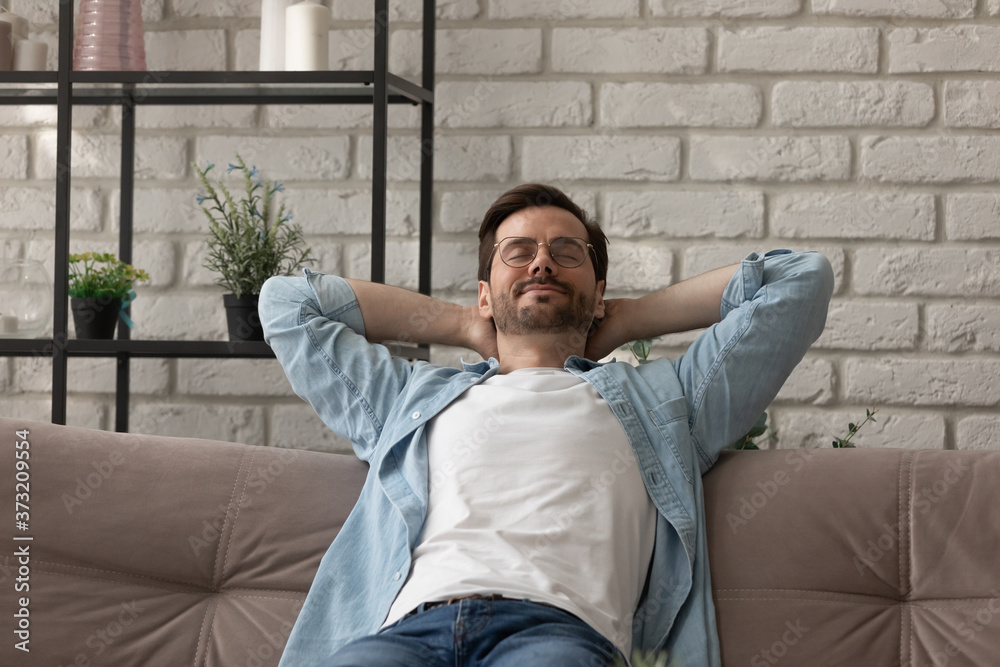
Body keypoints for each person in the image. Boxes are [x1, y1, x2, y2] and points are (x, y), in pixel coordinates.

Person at [258, 183, 834, 667]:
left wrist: (627, 317)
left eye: (566, 252)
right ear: (486, 294)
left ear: (599, 292)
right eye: (518, 252)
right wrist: (462, 322)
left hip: (556, 636)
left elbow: (799, 279)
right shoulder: (409, 399)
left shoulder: (668, 402)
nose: (541, 262)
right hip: (407, 634)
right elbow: (287, 303)